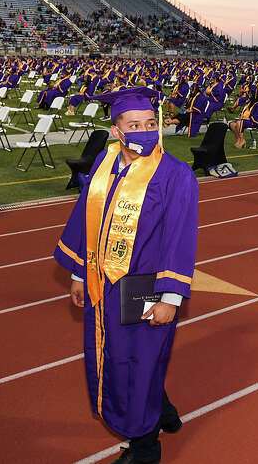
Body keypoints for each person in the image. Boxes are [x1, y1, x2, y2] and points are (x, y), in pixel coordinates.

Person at [53, 87, 198, 464]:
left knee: (137, 362)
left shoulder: (175, 175)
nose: (145, 130)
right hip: (104, 283)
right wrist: (80, 275)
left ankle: (145, 449)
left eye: (151, 123)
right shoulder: (104, 163)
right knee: (123, 356)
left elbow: (180, 239)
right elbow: (86, 221)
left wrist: (170, 298)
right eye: (134, 124)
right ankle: (163, 412)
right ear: (117, 130)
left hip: (145, 287)